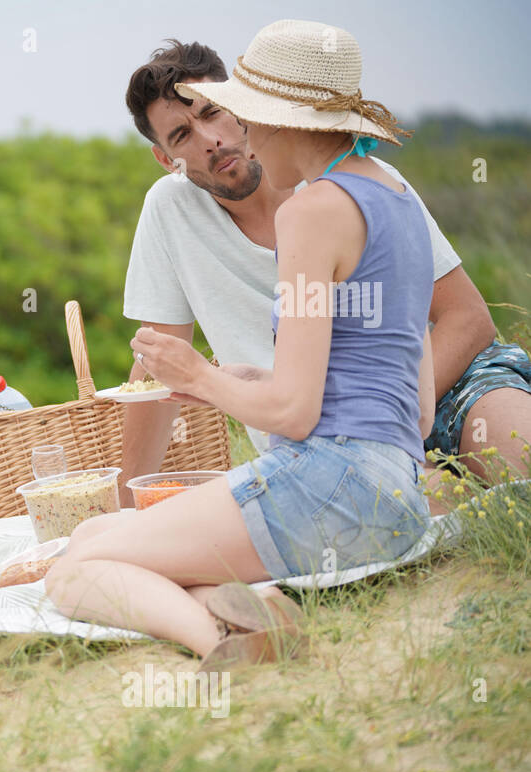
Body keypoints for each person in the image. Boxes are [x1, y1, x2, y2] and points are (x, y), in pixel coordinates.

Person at [47, 19, 435, 669]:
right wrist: (254, 380)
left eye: (244, 115)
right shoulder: (396, 196)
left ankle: (225, 643)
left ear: (286, 119)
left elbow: (295, 416)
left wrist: (200, 376)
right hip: (398, 499)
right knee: (94, 531)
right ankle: (239, 605)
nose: (236, 136)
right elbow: (413, 408)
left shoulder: (308, 214)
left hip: (324, 489)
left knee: (74, 568)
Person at [117, 38, 531, 504]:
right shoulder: (170, 210)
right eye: (181, 136)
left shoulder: (357, 179)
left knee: (520, 466)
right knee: (446, 506)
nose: (210, 140)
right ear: (164, 157)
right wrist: (123, 503)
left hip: (448, 385)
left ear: (239, 106)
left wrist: (382, 421)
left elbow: (468, 319)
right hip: (316, 434)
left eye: (212, 113)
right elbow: (158, 364)